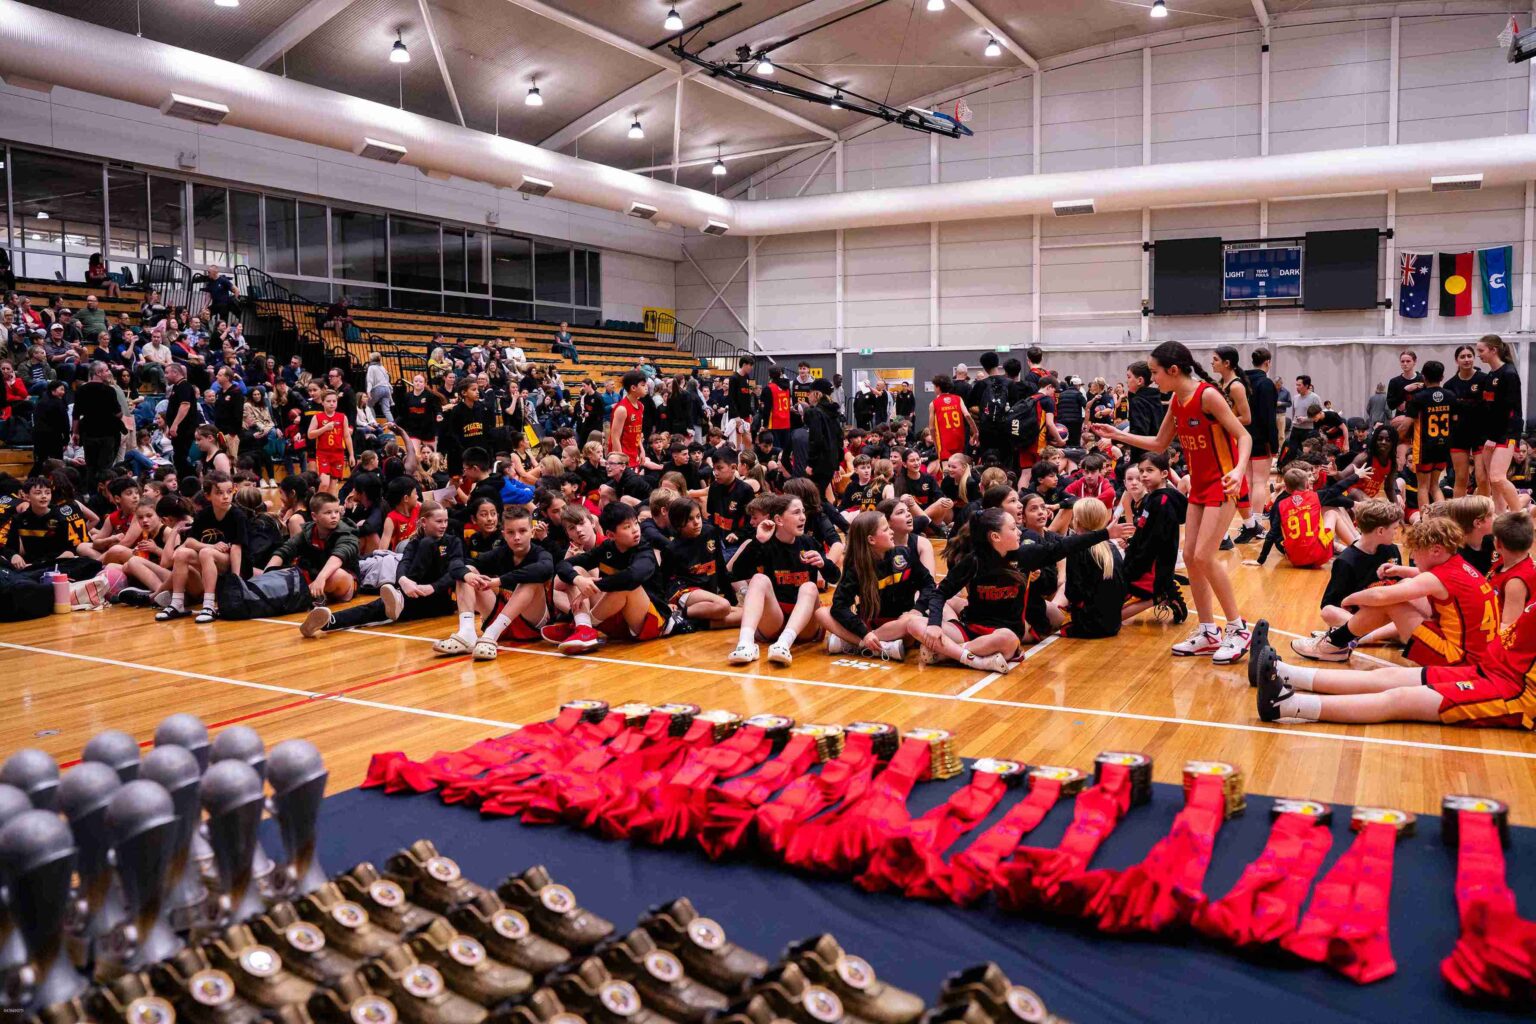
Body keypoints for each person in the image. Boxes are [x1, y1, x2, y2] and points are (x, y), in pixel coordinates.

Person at [1087, 341, 1253, 665]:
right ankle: (1209, 632)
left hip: (1223, 483)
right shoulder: (1177, 400)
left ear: (1173, 370)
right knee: (1190, 557)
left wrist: (1238, 469)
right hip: (1199, 486)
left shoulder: (1207, 396)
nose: (1153, 379)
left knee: (1204, 556)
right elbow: (1160, 442)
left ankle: (1238, 628)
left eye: (1155, 372)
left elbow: (1244, 436)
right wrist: (1117, 434)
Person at [1252, 602, 1536, 729]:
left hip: (1514, 692)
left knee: (1400, 699)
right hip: (1491, 668)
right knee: (1388, 676)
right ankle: (1286, 674)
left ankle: (1286, 706)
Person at [1289, 515, 1498, 666]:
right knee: (1403, 588)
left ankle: (1334, 644)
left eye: (1416, 551)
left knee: (1391, 601)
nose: (1413, 556)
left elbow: (1381, 595)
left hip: (1457, 658)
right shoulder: (1459, 564)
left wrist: (1350, 599)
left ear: (1435, 550)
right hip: (1477, 652)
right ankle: (1346, 639)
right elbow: (1426, 577)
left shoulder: (1436, 578)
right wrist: (1401, 570)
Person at [301, 501, 459, 638]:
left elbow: (455, 572)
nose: (444, 525)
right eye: (439, 521)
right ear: (424, 522)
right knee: (371, 608)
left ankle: (397, 600)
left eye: (446, 521)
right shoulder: (414, 542)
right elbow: (404, 563)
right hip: (412, 594)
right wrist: (403, 580)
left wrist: (432, 587)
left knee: (376, 610)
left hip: (438, 600)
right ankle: (329, 621)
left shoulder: (452, 542)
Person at [545, 502, 672, 654]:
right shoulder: (607, 548)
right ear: (611, 535)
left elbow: (633, 577)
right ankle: (583, 627)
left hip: (651, 622)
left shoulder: (644, 550)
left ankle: (581, 626)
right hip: (618, 620)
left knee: (626, 586)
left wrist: (594, 587)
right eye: (627, 527)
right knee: (576, 571)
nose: (635, 530)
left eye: (636, 523)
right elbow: (562, 565)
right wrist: (578, 580)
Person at [434, 504, 554, 660]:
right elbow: (456, 565)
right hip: (499, 615)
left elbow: (545, 569)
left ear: (532, 532)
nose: (517, 537)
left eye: (522, 531)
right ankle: (467, 633)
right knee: (467, 571)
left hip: (531, 622)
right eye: (511, 532)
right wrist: (467, 575)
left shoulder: (541, 554)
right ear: (503, 534)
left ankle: (491, 634)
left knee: (531, 579)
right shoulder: (499, 553)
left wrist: (499, 581)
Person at [816, 510, 934, 661]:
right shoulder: (856, 567)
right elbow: (839, 606)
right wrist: (864, 633)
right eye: (886, 529)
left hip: (901, 624)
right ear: (871, 540)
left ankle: (857, 644)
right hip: (869, 625)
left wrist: (917, 610)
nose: (892, 532)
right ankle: (879, 647)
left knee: (911, 623)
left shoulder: (904, 554)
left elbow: (929, 585)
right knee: (821, 613)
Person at [726, 494, 825, 667]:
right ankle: (746, 643)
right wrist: (758, 541)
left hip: (805, 624)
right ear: (779, 520)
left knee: (809, 587)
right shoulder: (764, 543)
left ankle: (783, 644)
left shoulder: (809, 542)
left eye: (803, 511)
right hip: (775, 618)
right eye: (796, 512)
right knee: (759, 579)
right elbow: (736, 573)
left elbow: (834, 577)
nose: (803, 517)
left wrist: (825, 564)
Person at [157, 471, 245, 623]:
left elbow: (237, 549)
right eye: (219, 493)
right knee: (181, 553)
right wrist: (212, 545)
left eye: (229, 492)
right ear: (208, 496)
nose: (226, 496)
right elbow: (190, 541)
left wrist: (236, 580)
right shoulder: (204, 514)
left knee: (205, 552)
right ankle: (177, 603)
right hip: (211, 558)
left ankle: (209, 605)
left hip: (233, 564)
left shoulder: (238, 516)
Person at [260, 492, 359, 605]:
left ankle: (303, 599)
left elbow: (339, 555)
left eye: (336, 512)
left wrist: (321, 578)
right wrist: (267, 573)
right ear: (314, 516)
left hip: (343, 582)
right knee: (262, 573)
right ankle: (308, 596)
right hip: (313, 580)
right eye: (328, 512)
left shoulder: (347, 532)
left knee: (336, 574)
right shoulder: (308, 532)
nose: (334, 516)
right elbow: (285, 550)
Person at [1317, 499, 1402, 629]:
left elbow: (1401, 584)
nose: (1397, 532)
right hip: (1361, 616)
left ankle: (1368, 633)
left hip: (1389, 611)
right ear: (1380, 531)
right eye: (1395, 528)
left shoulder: (1392, 550)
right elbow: (1329, 605)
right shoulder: (1346, 561)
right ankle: (1370, 631)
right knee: (1328, 612)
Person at [1476, 334, 1523, 513]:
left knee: (1497, 477)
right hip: (1491, 434)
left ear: (1493, 350)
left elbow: (1508, 411)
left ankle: (1519, 515)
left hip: (1506, 433)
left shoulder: (1509, 373)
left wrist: (1494, 437)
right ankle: (1500, 515)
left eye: (1481, 350)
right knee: (1493, 481)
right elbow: (1488, 409)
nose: (1479, 354)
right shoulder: (1491, 375)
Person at [1445, 344, 1488, 498]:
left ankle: (1485, 510)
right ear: (1456, 360)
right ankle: (1459, 511)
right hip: (1459, 435)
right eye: (1462, 357)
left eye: (1469, 356)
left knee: (1482, 478)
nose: (1466, 359)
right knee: (1461, 478)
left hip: (1481, 435)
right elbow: (1450, 414)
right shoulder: (1449, 385)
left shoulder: (1484, 379)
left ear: (1474, 358)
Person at [308, 389, 352, 495]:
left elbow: (347, 436)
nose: (332, 403)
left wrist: (351, 454)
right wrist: (325, 428)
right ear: (322, 402)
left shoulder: (342, 417)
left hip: (338, 454)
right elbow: (310, 434)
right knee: (324, 483)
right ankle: (315, 502)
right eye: (328, 401)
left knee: (333, 486)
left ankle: (329, 505)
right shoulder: (317, 417)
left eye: (334, 401)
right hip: (323, 453)